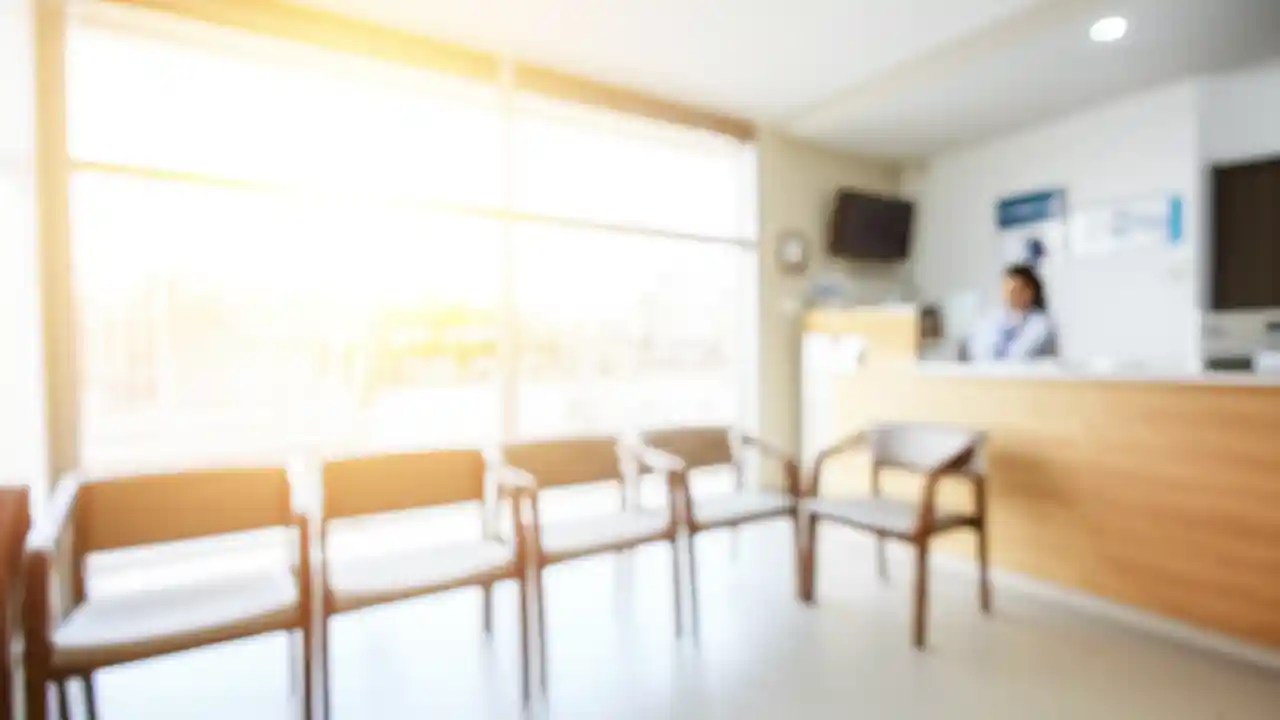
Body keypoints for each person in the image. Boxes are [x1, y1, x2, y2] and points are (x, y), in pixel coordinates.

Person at [965, 264, 1056, 362]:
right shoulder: (990, 320)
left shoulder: (1041, 325)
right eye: (1005, 289)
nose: (1008, 296)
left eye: (1013, 290)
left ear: (1029, 292)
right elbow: (982, 355)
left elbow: (1021, 357)